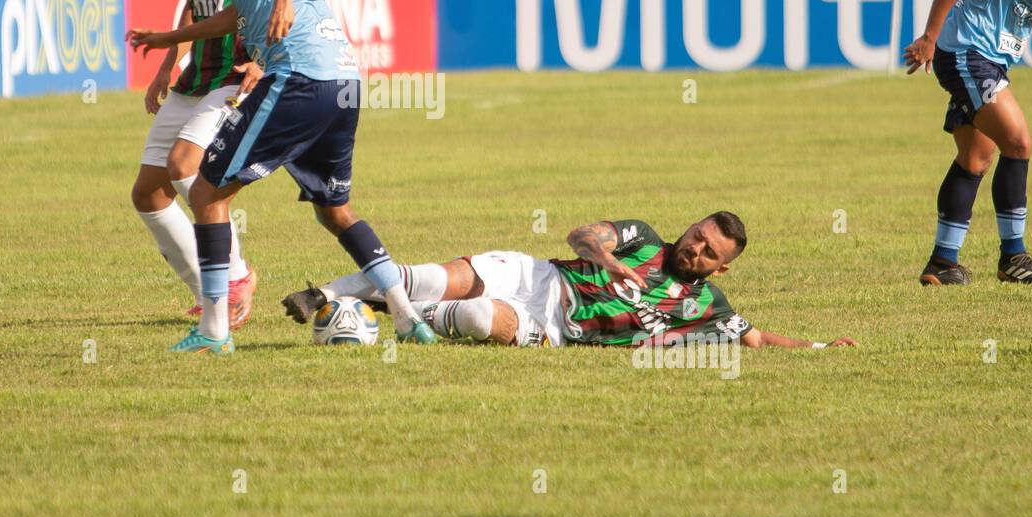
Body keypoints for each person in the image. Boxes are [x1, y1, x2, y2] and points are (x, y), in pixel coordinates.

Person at [128, 0, 437, 353]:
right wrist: (171, 38)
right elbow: (236, 17)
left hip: (298, 76)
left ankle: (214, 331)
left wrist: (285, 0)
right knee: (334, 210)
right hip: (341, 81)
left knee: (209, 192)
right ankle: (409, 319)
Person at [285, 213, 856, 350]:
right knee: (439, 276)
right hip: (538, 274)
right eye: (696, 234)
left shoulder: (708, 306)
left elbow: (757, 340)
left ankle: (385, 311)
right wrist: (609, 260)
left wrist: (821, 346)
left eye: (708, 251)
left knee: (482, 319)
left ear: (720, 268)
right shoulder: (643, 237)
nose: (694, 247)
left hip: (551, 326)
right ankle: (329, 296)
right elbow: (582, 235)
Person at [129, 0, 281, 326]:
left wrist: (264, 58)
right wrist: (167, 60)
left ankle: (234, 277)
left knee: (184, 165)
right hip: (198, 72)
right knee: (149, 193)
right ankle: (210, 288)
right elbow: (196, 2)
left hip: (237, 72)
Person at [903, 0, 1032, 286]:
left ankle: (942, 263)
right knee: (1018, 142)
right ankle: (1014, 256)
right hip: (968, 52)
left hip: (988, 58)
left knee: (975, 159)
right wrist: (929, 37)